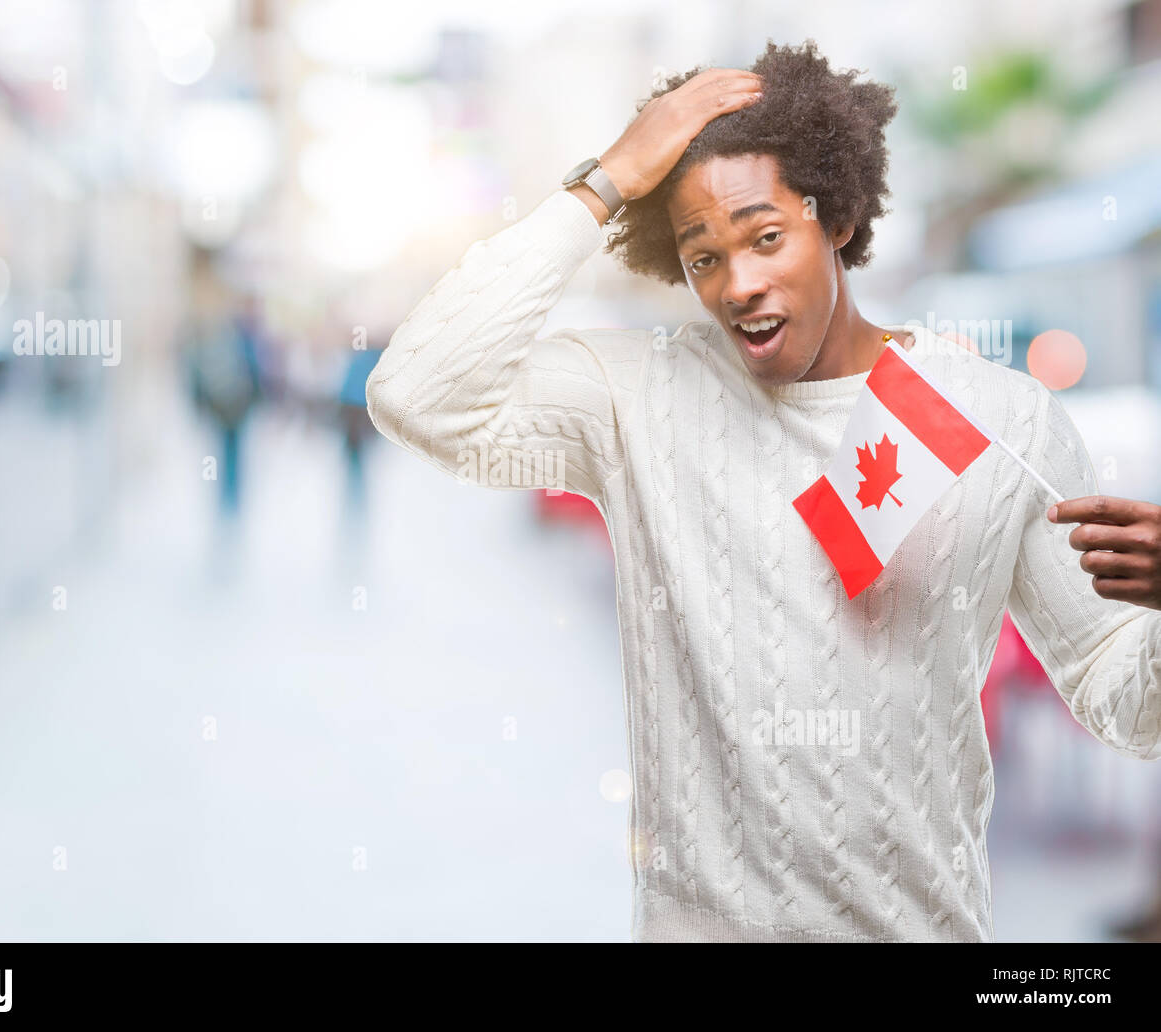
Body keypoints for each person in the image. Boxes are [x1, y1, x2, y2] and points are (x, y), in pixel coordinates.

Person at [365, 39, 1161, 943]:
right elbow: (415, 394)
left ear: (842, 219)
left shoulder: (1000, 419)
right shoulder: (639, 398)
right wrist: (609, 178)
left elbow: (1125, 705)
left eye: (766, 237)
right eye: (702, 256)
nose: (738, 284)